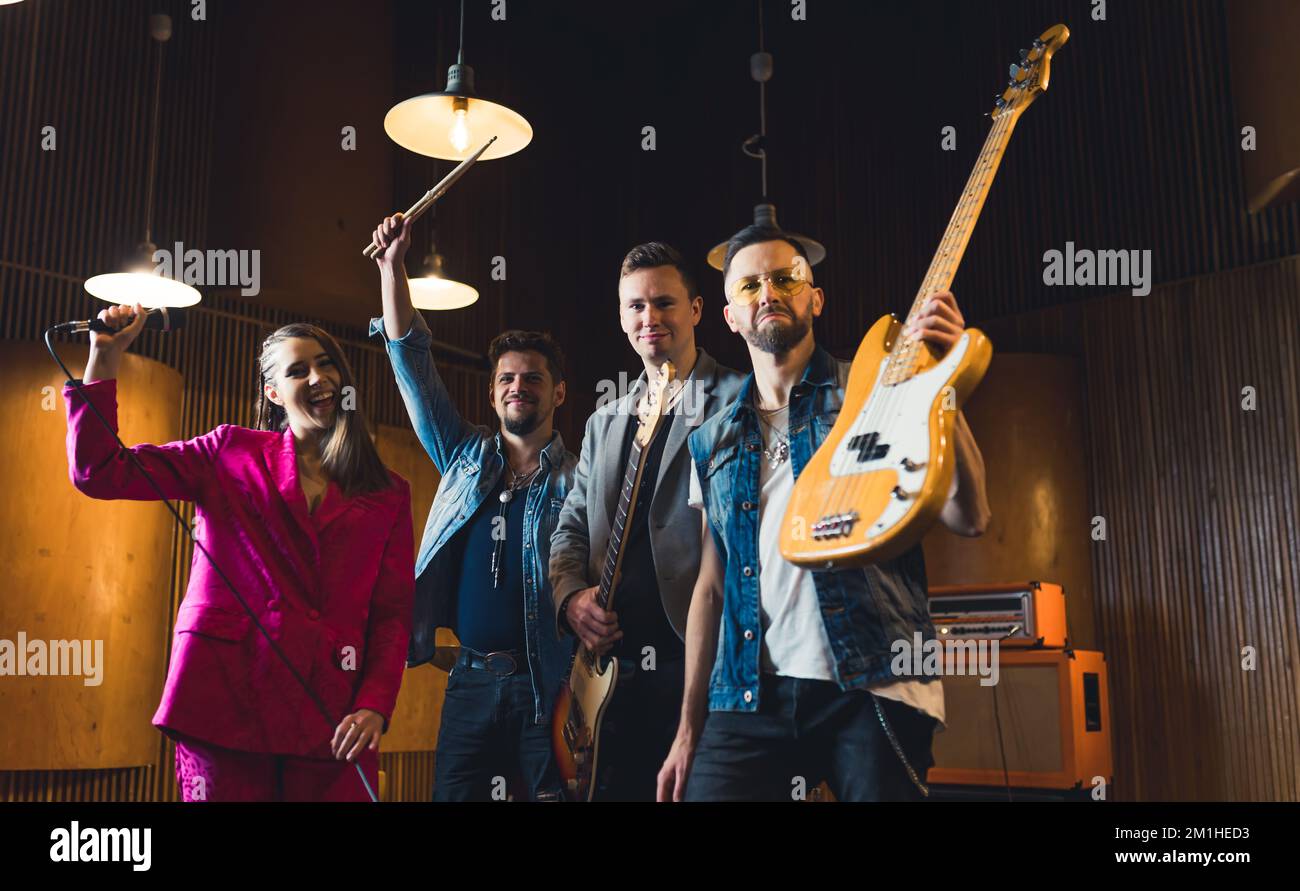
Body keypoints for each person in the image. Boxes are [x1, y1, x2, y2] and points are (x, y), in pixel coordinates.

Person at [657, 226, 991, 802]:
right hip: (748, 693)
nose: (769, 293)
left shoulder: (879, 391)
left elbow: (970, 515)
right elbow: (710, 589)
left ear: (816, 298)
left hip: (874, 681)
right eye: (750, 284)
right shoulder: (710, 440)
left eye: (787, 278)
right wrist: (688, 730)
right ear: (730, 316)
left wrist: (944, 383)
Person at [64, 302, 414, 802]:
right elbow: (100, 471)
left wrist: (376, 703)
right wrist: (104, 356)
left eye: (327, 363)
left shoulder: (388, 492)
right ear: (273, 393)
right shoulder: (229, 451)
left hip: (333, 713)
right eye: (298, 370)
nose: (318, 377)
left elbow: (393, 614)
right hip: (224, 699)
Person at [368, 214, 577, 801]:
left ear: (558, 392)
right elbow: (412, 366)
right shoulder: (462, 456)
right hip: (468, 683)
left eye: (533, 378)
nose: (518, 387)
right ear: (491, 392)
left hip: (549, 688)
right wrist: (392, 267)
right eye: (507, 378)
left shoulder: (580, 482)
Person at [549, 242, 744, 800]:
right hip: (612, 673)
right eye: (635, 306)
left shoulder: (736, 399)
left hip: (702, 666)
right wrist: (569, 600)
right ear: (620, 317)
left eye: (664, 303)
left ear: (698, 310)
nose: (649, 318)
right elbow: (570, 529)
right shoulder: (602, 421)